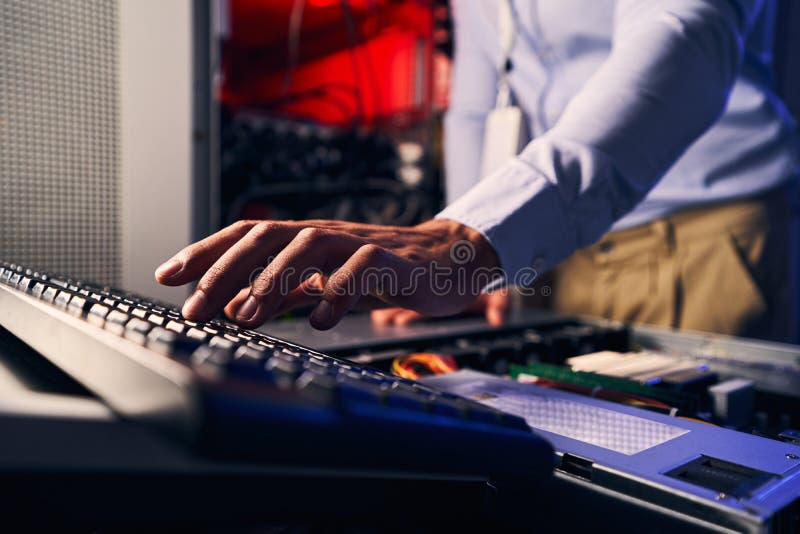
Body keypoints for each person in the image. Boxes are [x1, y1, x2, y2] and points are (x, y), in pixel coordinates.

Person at [157, 0, 799, 341]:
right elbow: (473, 105)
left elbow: (684, 36)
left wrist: (467, 240)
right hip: (552, 250)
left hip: (701, 236)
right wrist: (472, 267)